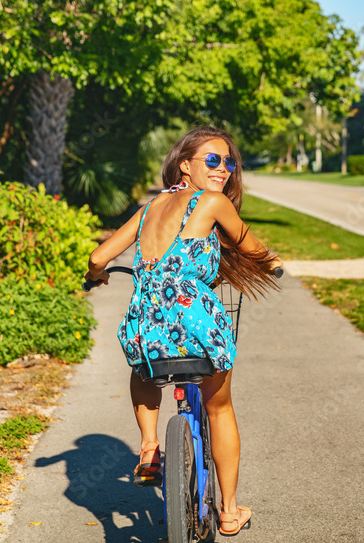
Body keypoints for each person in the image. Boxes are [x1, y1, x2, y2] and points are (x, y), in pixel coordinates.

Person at [85, 125, 281, 536]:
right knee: (219, 406)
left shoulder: (150, 209)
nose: (224, 168)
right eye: (213, 159)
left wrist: (97, 276)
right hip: (194, 320)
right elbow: (248, 244)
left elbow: (99, 255)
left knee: (143, 370)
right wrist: (273, 262)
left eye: (229, 161)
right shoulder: (211, 202)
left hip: (146, 321)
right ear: (184, 165)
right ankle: (228, 510)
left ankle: (150, 446)